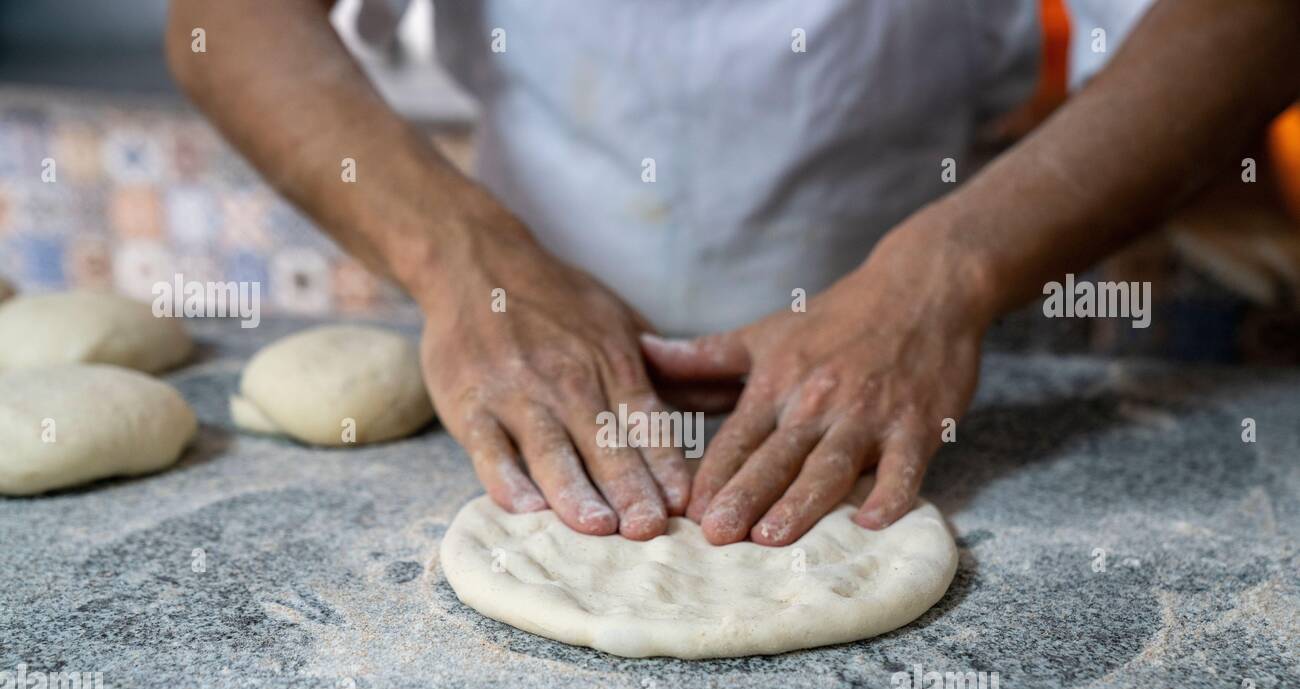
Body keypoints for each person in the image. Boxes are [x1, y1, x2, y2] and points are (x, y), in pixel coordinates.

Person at [166, 0, 1300, 544]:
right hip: (521, 373)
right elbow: (226, 20)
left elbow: (1249, 23)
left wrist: (945, 277)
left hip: (914, 387)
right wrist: (463, 260)